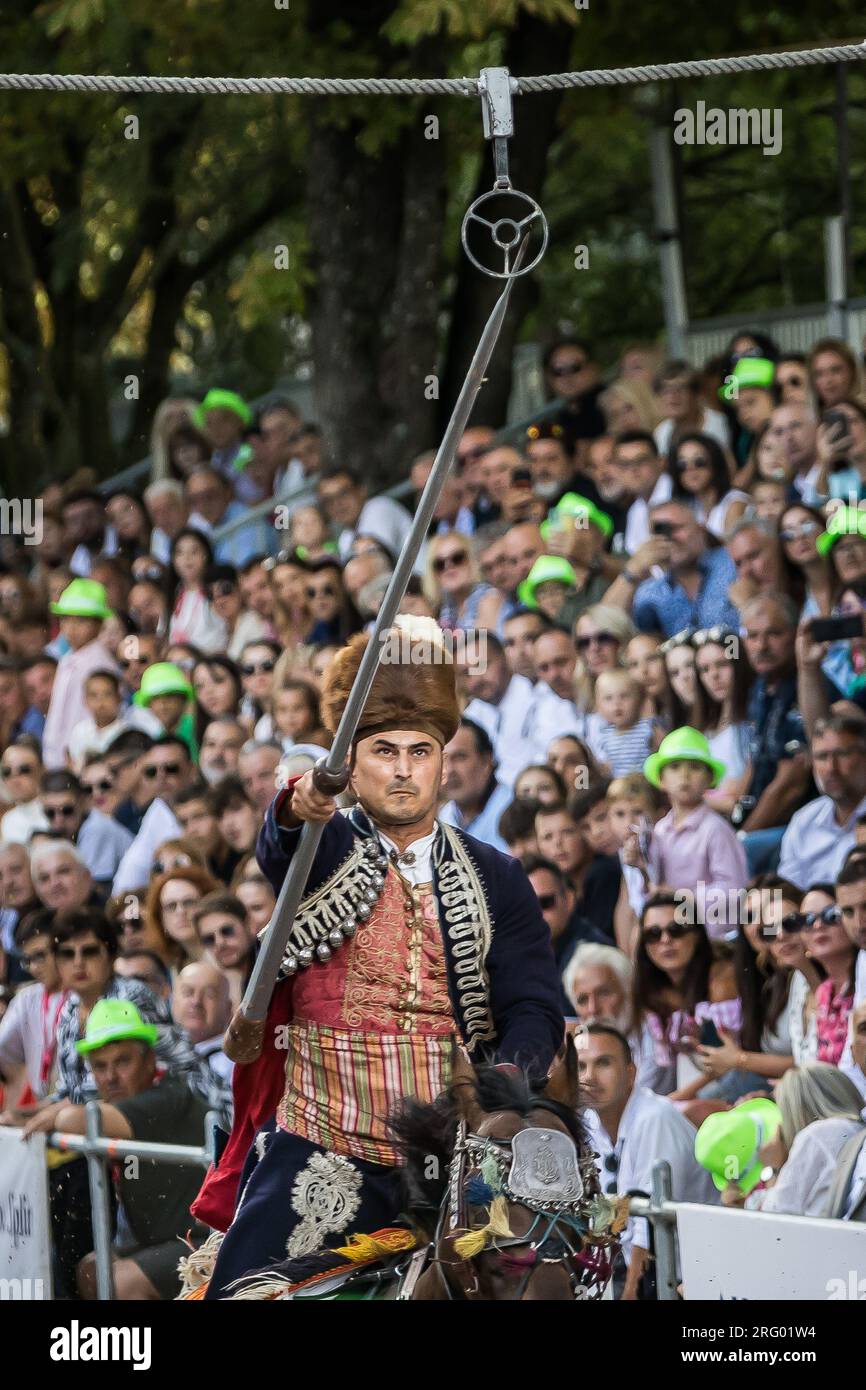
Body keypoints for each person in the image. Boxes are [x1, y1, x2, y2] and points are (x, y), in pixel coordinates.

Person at [196, 616, 564, 1296]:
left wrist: (506, 1093)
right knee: (243, 1295)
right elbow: (280, 845)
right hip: (325, 1145)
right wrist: (299, 803)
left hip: (461, 1153)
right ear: (352, 764)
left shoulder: (499, 875)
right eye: (383, 751)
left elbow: (534, 1004)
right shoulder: (323, 847)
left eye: (419, 751)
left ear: (443, 761)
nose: (401, 770)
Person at [57, 999, 212, 1300]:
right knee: (91, 1270)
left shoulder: (167, 1096)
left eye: (122, 1061)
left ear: (150, 1060)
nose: (111, 1077)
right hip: (166, 1241)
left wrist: (56, 1112)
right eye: (100, 1066)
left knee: (122, 1282)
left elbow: (70, 1120)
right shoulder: (127, 1105)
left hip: (212, 1241)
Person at [577, 1023, 717, 1300]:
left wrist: (629, 1295)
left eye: (603, 1063)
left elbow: (648, 1227)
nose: (589, 1077)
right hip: (635, 1267)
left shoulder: (656, 1117)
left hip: (686, 1278)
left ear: (631, 1073)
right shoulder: (590, 1122)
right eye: (580, 1066)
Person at [639, 727, 747, 939]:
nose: (685, 775)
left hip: (711, 940)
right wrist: (639, 867)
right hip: (670, 935)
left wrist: (680, 897)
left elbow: (734, 891)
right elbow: (651, 888)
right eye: (675, 767)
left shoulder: (716, 830)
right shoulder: (659, 830)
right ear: (662, 779)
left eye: (695, 767)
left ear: (709, 780)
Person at [632, 891, 738, 1100]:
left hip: (741, 1078)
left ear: (696, 933)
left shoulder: (721, 980)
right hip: (698, 1082)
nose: (665, 940)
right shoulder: (655, 990)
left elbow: (724, 1063)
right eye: (653, 934)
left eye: (676, 930)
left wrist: (673, 1101)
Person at [743, 1063, 866, 1218]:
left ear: (795, 1111)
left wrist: (773, 1169)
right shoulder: (857, 1129)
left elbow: (775, 1214)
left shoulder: (815, 1136)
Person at [777, 715, 866, 889]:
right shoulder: (804, 820)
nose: (831, 767)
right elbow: (789, 889)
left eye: (842, 754)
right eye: (822, 756)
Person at [42, 579, 119, 770]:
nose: (71, 627)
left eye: (81, 620)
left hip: (79, 759)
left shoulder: (100, 663)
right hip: (58, 759)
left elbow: (89, 715)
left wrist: (75, 755)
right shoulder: (67, 658)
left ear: (99, 623)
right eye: (66, 619)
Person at [438, 718, 512, 853]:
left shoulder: (515, 808)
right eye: (443, 759)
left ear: (486, 762)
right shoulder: (444, 818)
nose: (449, 770)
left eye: (460, 757)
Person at [318, 464, 413, 562]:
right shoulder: (345, 538)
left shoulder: (379, 508)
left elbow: (377, 562)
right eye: (328, 500)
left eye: (343, 493)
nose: (337, 504)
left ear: (362, 490)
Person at [172, 960, 234, 1084]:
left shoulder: (239, 1065)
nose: (196, 1002)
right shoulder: (156, 1056)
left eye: (209, 995)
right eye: (188, 992)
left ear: (228, 1009)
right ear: (173, 1002)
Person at [590, 669, 657, 777]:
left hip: (644, 784)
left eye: (624, 696)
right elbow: (608, 766)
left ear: (638, 700)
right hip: (619, 787)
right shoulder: (604, 735)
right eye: (608, 698)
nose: (617, 703)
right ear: (598, 705)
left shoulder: (646, 728)